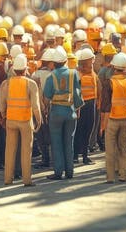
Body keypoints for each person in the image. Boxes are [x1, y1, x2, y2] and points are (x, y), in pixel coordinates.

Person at [0, 54, 42, 186]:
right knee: (26, 150)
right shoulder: (31, 84)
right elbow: (35, 106)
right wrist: (39, 121)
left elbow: (1, 105)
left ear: (14, 69)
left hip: (11, 120)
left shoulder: (6, 83)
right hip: (25, 121)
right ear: (25, 69)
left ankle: (8, 179)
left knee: (10, 150)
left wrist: (5, 116)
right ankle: (27, 180)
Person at [42, 46, 83, 180]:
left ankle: (58, 172)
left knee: (56, 142)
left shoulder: (50, 76)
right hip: (70, 112)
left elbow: (46, 97)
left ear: (53, 63)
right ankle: (70, 171)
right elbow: (77, 95)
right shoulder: (74, 74)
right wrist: (77, 110)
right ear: (66, 61)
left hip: (56, 113)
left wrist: (46, 110)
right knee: (69, 142)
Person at [101, 53, 126, 183]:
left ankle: (110, 177)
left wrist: (103, 124)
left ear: (114, 67)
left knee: (110, 150)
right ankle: (123, 175)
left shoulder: (109, 83)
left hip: (112, 119)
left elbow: (105, 105)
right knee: (124, 148)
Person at [74, 48, 98, 165]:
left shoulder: (92, 73)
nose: (93, 61)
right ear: (86, 61)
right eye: (91, 60)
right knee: (79, 130)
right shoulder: (78, 74)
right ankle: (76, 155)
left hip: (91, 104)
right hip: (82, 105)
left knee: (88, 130)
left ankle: (84, 155)